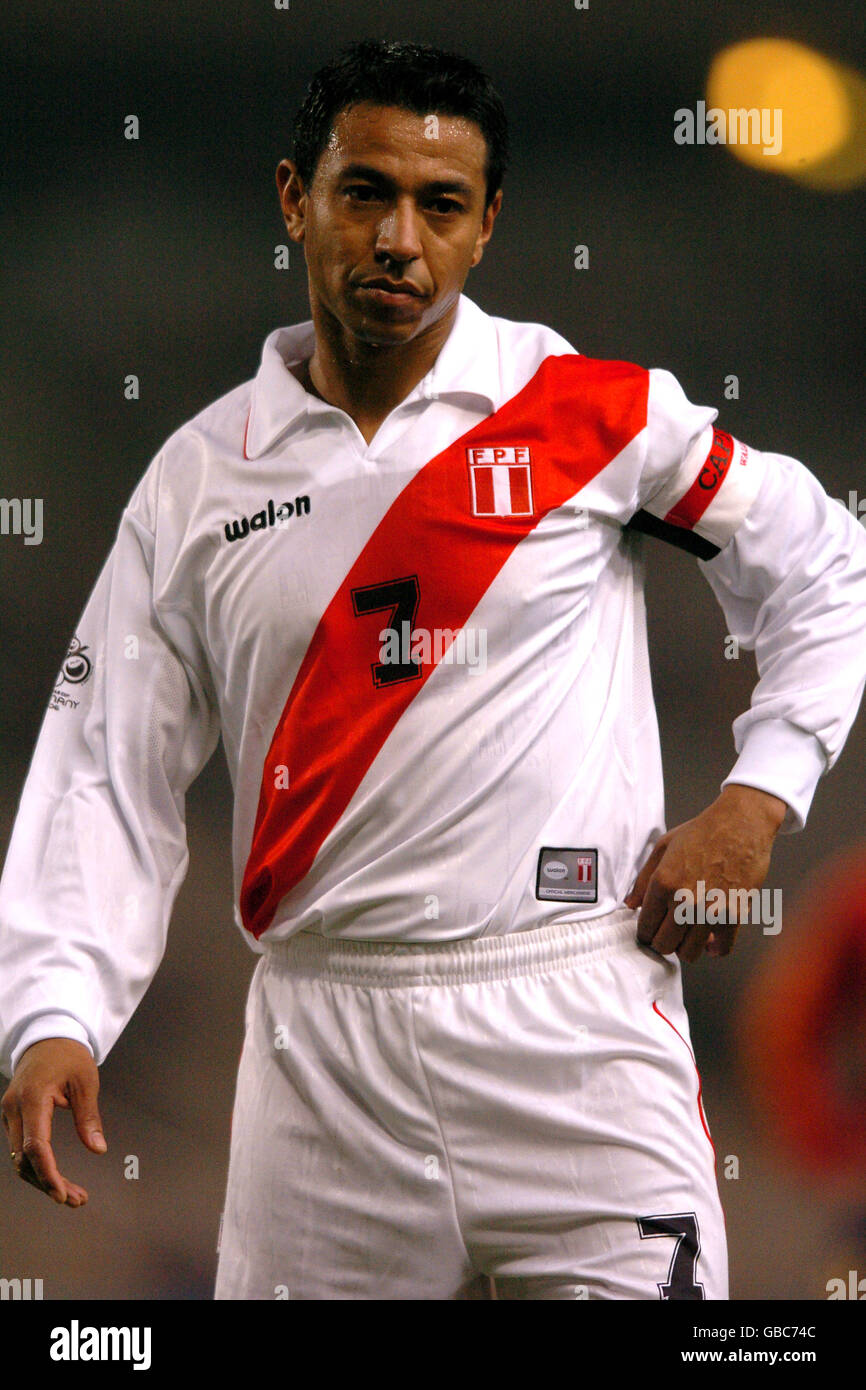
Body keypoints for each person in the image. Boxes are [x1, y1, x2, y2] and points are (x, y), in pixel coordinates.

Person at [2, 38, 865, 1302]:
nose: (399, 237)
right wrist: (55, 1011)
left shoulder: (590, 414)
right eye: (366, 194)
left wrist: (755, 797)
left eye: (440, 205)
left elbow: (827, 560)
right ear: (296, 197)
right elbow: (105, 758)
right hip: (321, 1055)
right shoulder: (196, 480)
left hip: (574, 1018)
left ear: (484, 228)